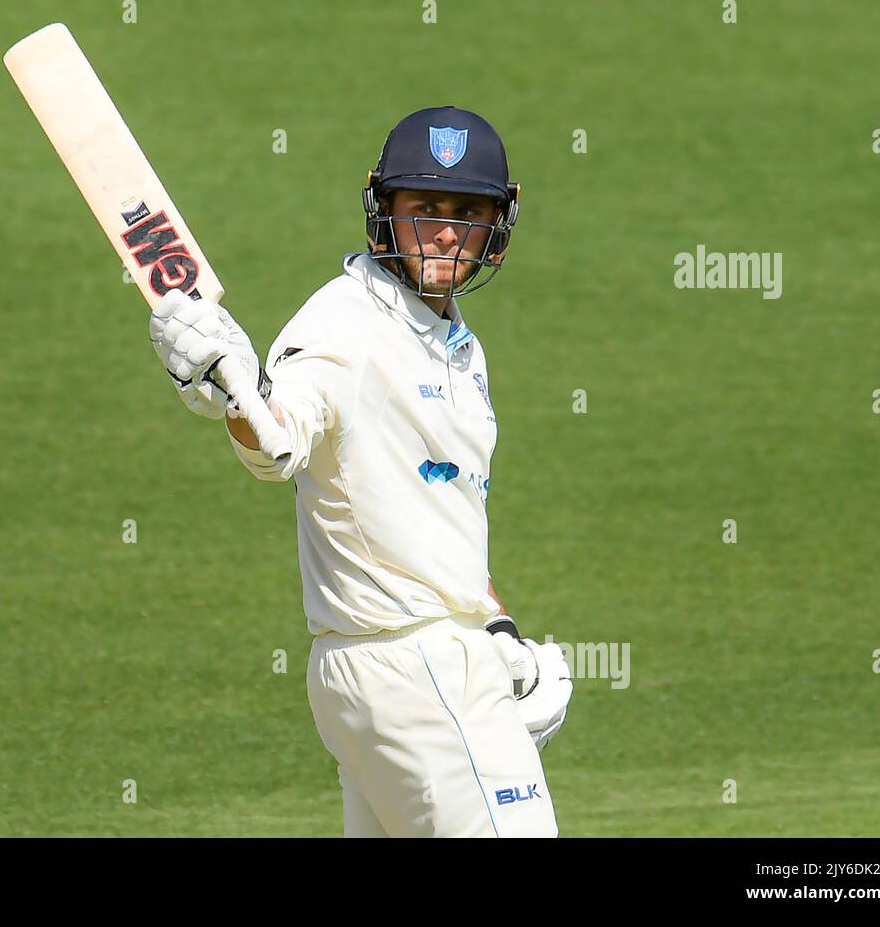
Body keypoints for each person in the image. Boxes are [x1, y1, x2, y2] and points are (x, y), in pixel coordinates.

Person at [149, 106, 572, 837]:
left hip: (397, 668)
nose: (446, 231)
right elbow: (277, 442)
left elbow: (441, 510)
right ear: (384, 209)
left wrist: (498, 632)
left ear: (501, 221)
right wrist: (230, 390)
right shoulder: (344, 327)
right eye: (426, 208)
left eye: (468, 212)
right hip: (414, 667)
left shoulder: (456, 346)